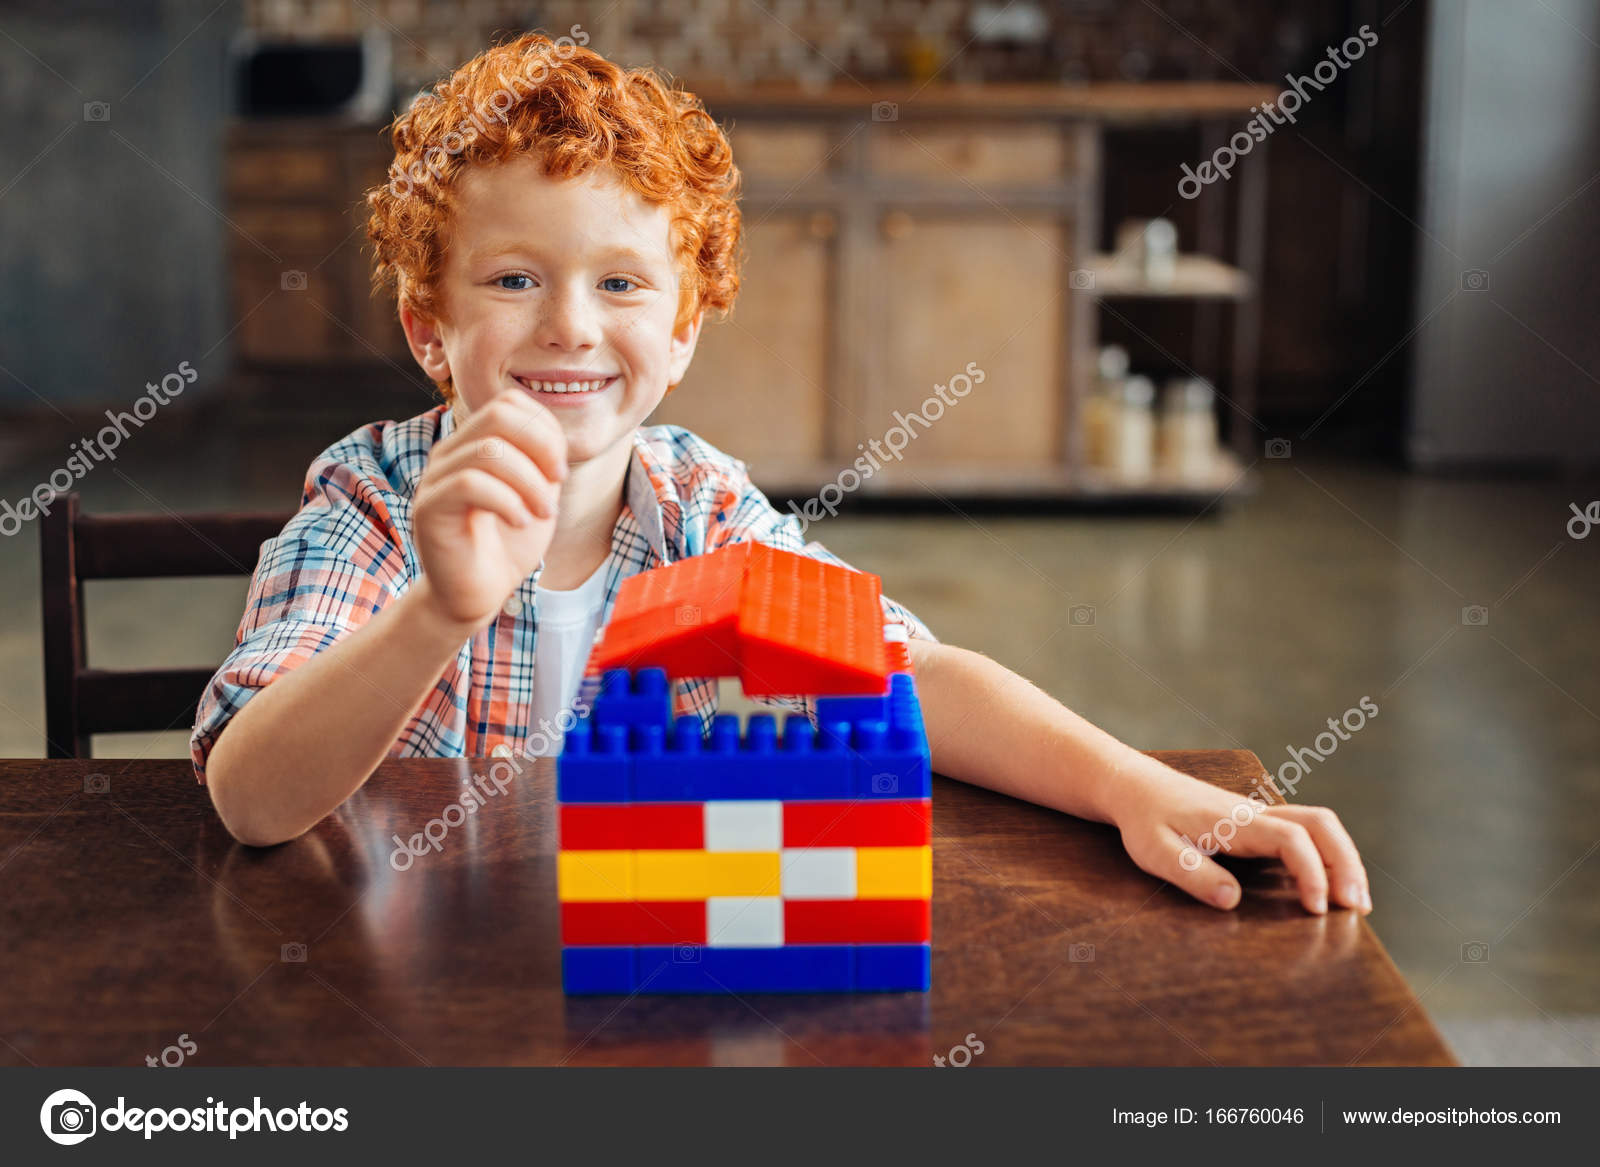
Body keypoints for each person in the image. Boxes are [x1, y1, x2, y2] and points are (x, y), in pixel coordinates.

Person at [194, 32, 1370, 918]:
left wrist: (1132, 789)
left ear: (688, 330)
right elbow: (252, 804)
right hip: (393, 988)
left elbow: (912, 675)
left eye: (620, 283)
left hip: (645, 966)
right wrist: (436, 611)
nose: (568, 327)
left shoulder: (698, 508)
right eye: (512, 281)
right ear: (427, 331)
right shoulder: (369, 499)